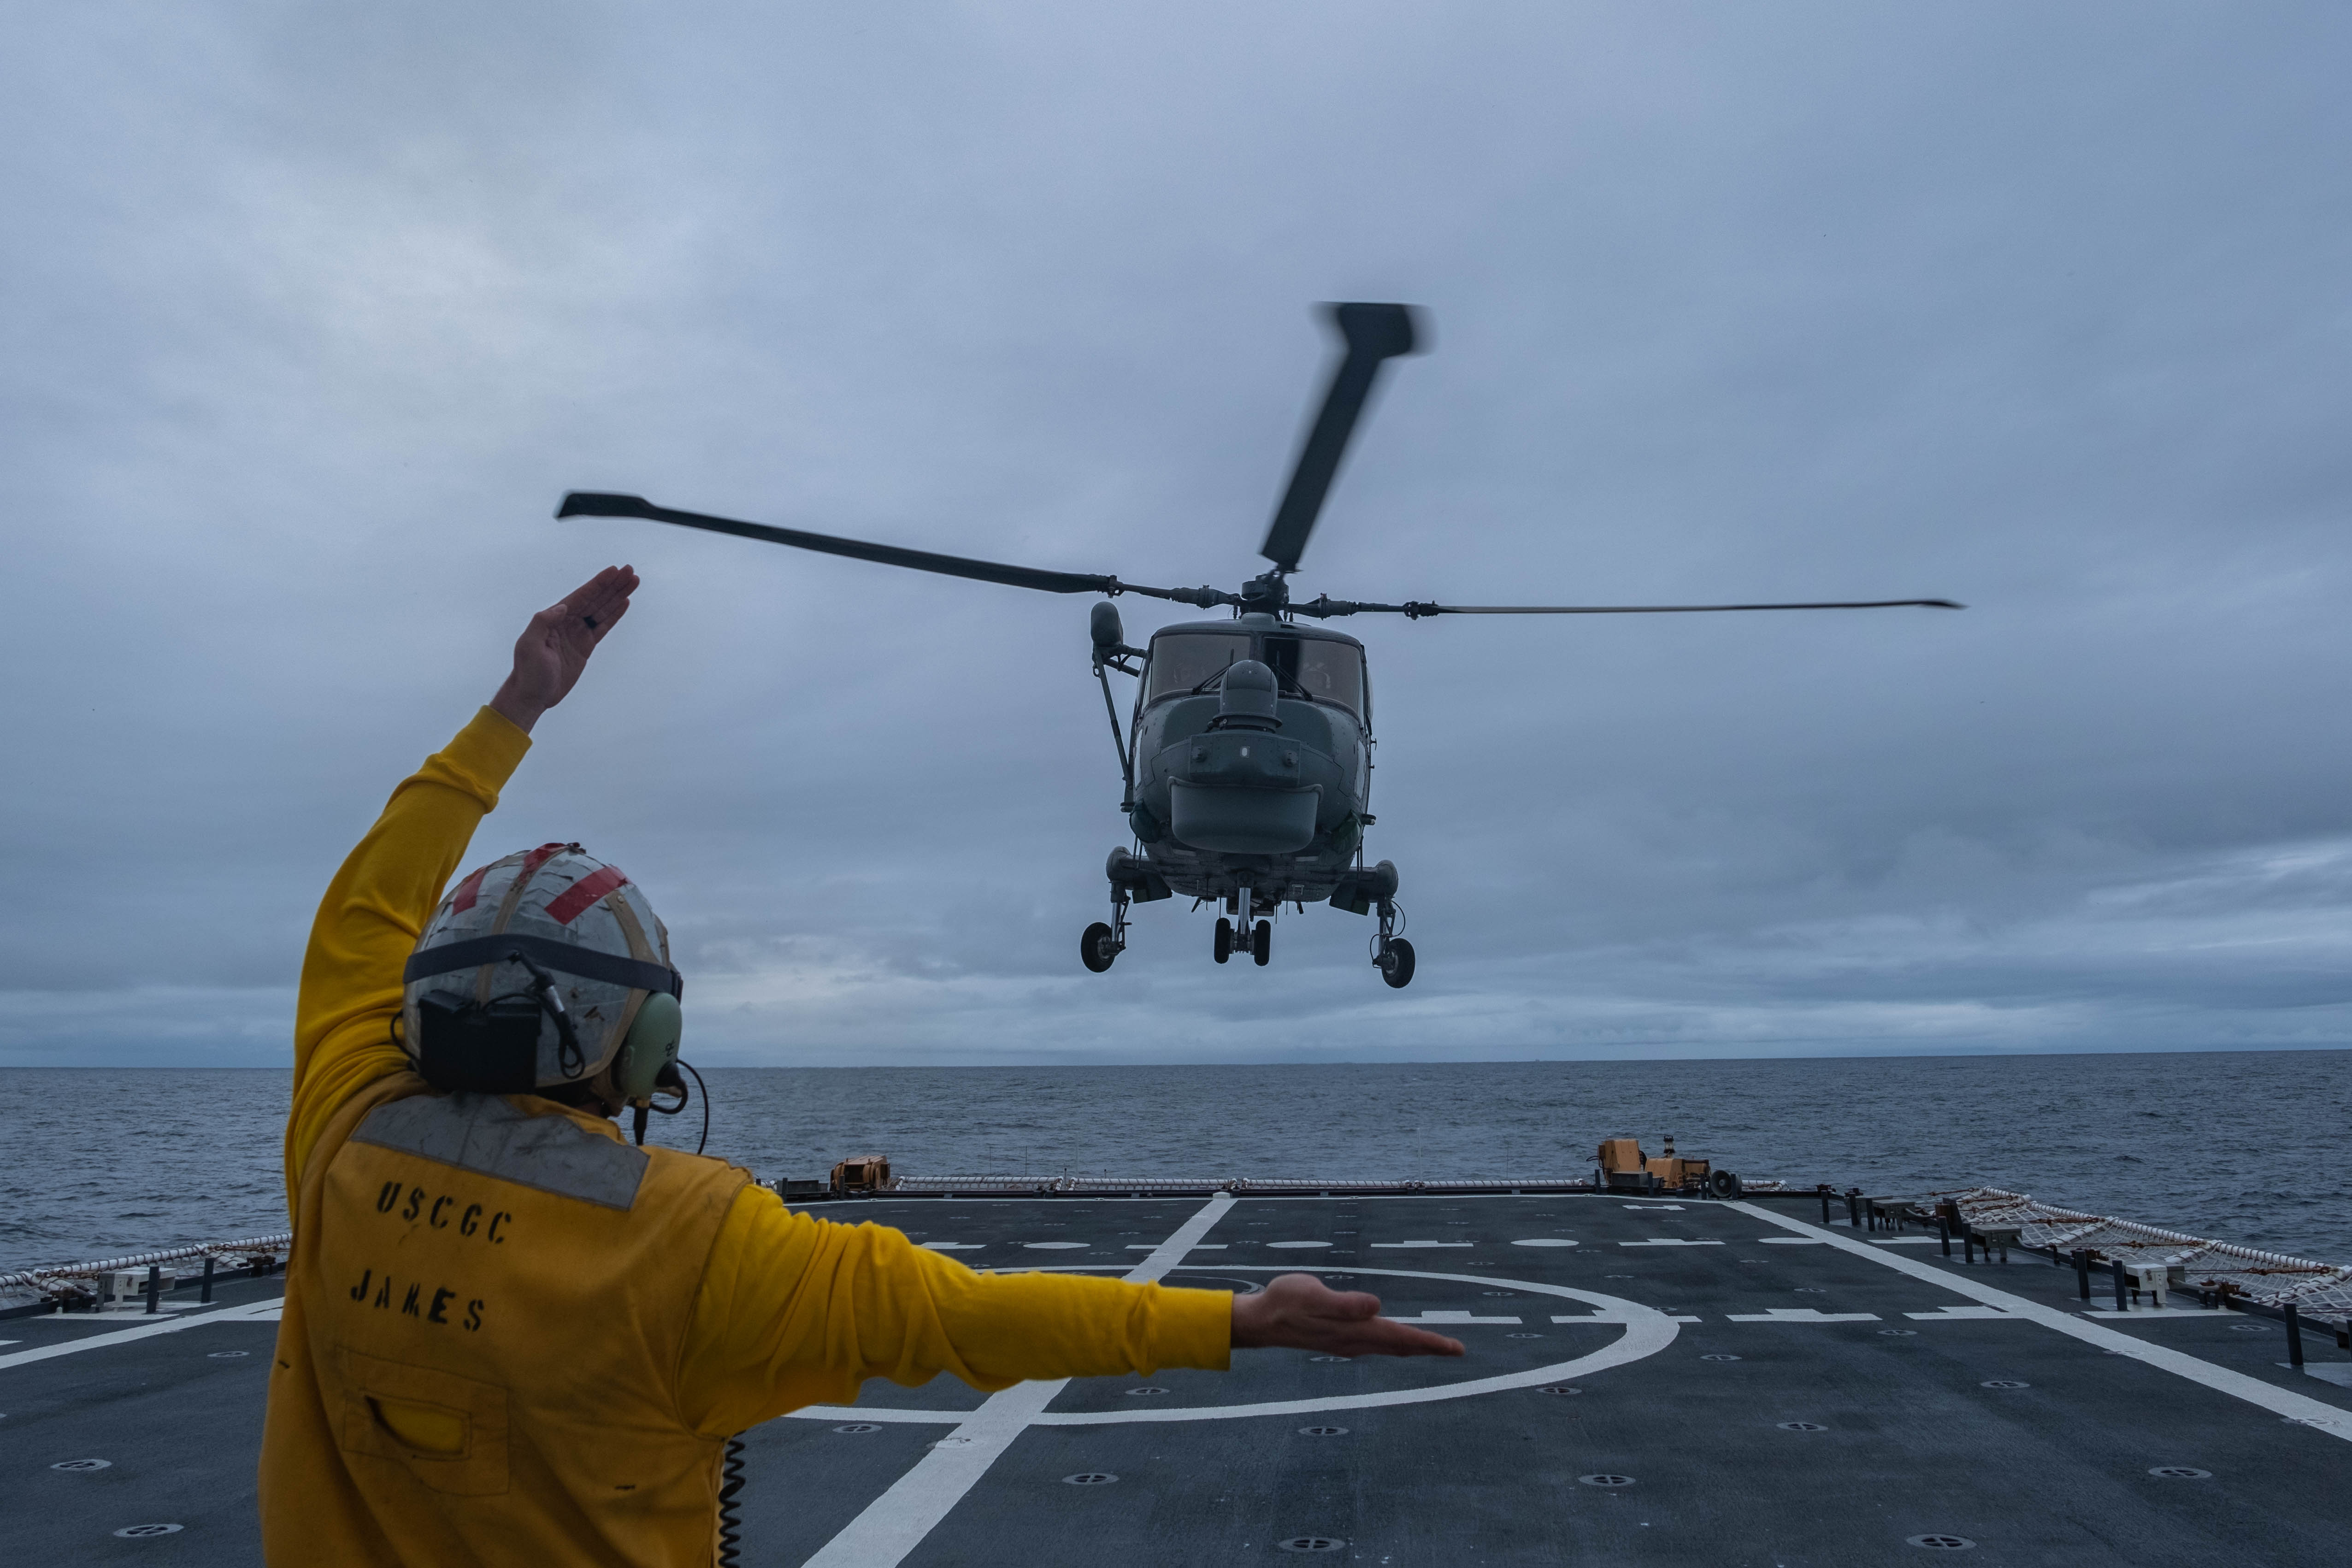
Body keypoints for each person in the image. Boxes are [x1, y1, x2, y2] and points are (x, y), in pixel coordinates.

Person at [257, 566, 1462, 1566]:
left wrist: (513, 709)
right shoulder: (692, 1239)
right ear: (647, 1051)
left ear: (422, 995)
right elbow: (969, 1313)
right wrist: (1239, 1319)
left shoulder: (344, 1118)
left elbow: (366, 906)